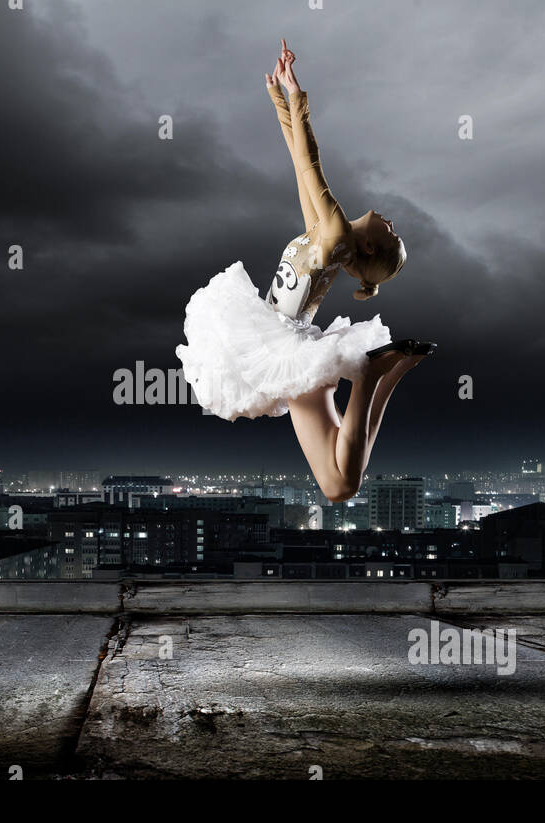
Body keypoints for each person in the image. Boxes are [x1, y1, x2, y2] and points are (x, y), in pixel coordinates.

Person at [175, 40, 434, 502]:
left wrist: (296, 98)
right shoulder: (325, 236)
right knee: (341, 484)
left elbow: (310, 162)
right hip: (289, 340)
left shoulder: (333, 235)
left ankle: (377, 375)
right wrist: (281, 98)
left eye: (393, 236)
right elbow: (299, 165)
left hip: (282, 343)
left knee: (338, 486)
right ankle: (386, 374)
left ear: (370, 244)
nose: (394, 224)